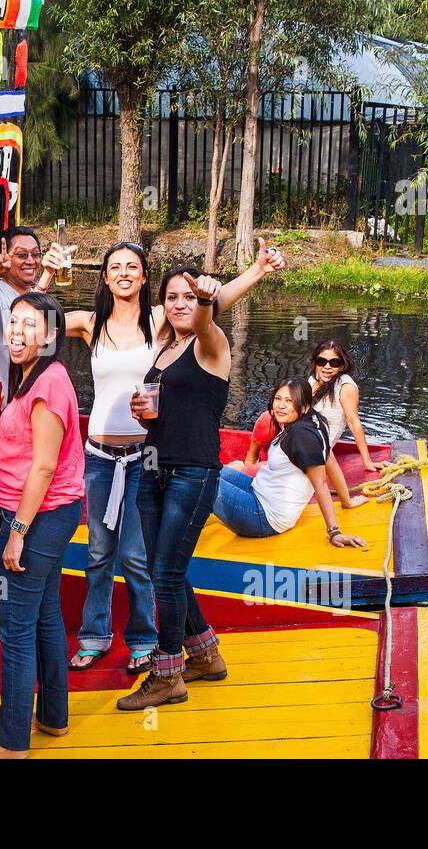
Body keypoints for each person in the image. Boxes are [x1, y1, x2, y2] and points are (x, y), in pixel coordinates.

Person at [63, 240, 285, 674]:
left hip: (164, 461)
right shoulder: (109, 328)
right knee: (107, 554)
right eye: (115, 267)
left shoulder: (168, 323)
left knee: (147, 562)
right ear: (104, 276)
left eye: (133, 266)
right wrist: (41, 272)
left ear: (145, 276)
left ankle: (155, 653)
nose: (124, 273)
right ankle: (133, 640)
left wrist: (256, 271)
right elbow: (37, 320)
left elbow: (208, 306)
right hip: (120, 459)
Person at [0, 293, 85, 759]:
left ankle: (12, 741)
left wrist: (17, 531)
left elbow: (43, 467)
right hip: (44, 512)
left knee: (16, 629)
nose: (17, 331)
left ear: (52, 336)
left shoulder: (49, 384)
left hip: (39, 514)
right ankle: (53, 717)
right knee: (45, 614)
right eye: (13, 321)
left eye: (31, 324)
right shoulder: (29, 377)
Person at [115, 267, 233, 712]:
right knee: (166, 567)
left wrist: (213, 296)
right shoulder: (166, 348)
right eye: (172, 297)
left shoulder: (212, 343)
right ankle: (205, 655)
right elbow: (161, 412)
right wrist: (141, 410)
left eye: (189, 296)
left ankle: (167, 676)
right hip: (154, 466)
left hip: (193, 472)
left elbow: (206, 317)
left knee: (164, 573)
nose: (180, 303)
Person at [214, 377, 368, 546]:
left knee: (199, 478)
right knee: (210, 469)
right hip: (257, 490)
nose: (280, 405)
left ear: (304, 406)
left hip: (262, 516)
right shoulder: (310, 420)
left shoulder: (302, 436)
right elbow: (329, 459)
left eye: (289, 401)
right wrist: (347, 502)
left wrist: (334, 532)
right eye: (278, 399)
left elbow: (321, 484)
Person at [0, 225, 62, 395]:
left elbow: (46, 349)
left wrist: (48, 273)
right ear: (6, 258)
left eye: (35, 254)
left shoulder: (37, 300)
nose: (31, 261)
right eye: (22, 255)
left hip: (29, 402)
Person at [309, 339, 390, 494]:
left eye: (333, 363)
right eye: (322, 361)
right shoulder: (313, 379)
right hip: (303, 434)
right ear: (316, 362)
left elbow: (353, 422)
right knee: (267, 418)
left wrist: (367, 462)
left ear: (341, 365)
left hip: (318, 446)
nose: (327, 367)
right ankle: (252, 459)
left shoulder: (345, 386)